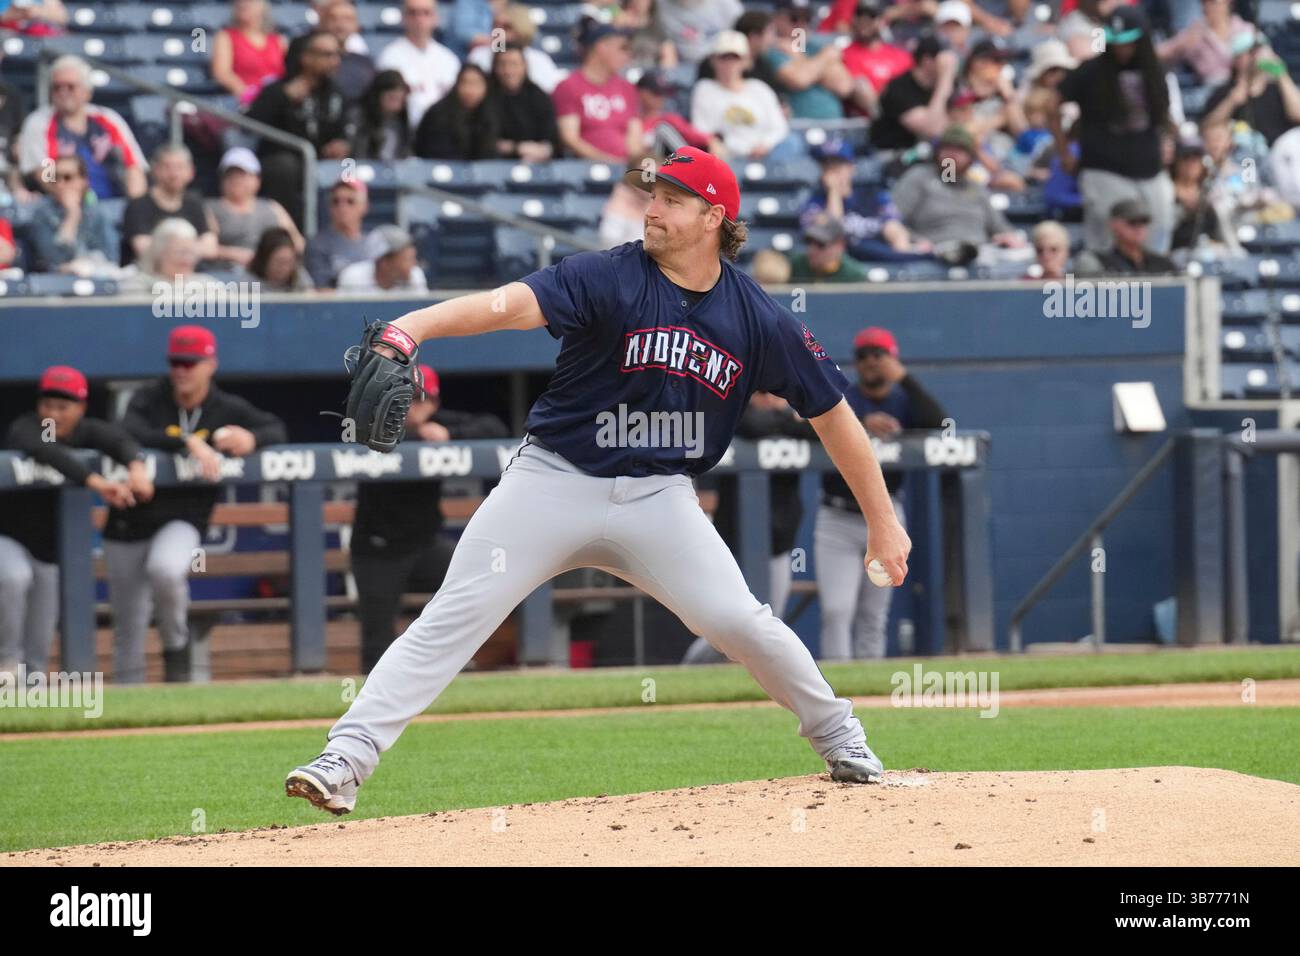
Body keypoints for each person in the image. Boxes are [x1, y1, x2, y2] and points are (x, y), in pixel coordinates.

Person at [284, 145, 912, 814]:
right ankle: (344, 758)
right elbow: (506, 305)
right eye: (652, 193)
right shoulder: (608, 275)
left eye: (672, 198)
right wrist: (413, 327)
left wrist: (882, 520)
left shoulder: (757, 318)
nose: (653, 206)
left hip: (658, 498)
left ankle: (843, 739)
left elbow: (833, 413)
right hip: (551, 480)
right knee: (452, 616)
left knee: (741, 621)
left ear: (713, 217)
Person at [104, 327, 287, 684]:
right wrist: (188, 442)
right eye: (176, 362)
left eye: (191, 363)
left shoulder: (225, 406)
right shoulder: (150, 397)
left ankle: (176, 650)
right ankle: (129, 703)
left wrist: (252, 437)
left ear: (210, 365)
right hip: (129, 519)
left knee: (167, 569)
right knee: (129, 621)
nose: (182, 370)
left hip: (183, 516)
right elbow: (129, 430)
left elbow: (276, 429)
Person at [351, 364, 509, 673]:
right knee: (377, 639)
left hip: (424, 545)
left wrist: (450, 434)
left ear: (434, 403)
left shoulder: (438, 423)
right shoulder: (375, 423)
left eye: (421, 400)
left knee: (476, 583)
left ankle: (449, 666)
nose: (412, 406)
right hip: (378, 550)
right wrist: (416, 439)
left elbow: (495, 428)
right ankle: (375, 699)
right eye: (405, 398)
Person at [0, 366, 152, 679]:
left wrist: (136, 466)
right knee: (14, 578)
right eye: (47, 405)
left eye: (62, 407)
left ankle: (31, 700)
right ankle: (5, 664)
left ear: (80, 408)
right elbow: (45, 450)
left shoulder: (87, 431)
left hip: (50, 548)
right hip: (8, 534)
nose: (53, 414)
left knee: (40, 639)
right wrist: (96, 482)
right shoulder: (27, 427)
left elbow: (120, 440)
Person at [815, 326, 944, 661]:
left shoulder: (904, 399)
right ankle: (837, 693)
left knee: (874, 615)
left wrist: (903, 378)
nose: (871, 362)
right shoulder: (846, 398)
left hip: (886, 517)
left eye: (878, 355)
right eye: (863, 356)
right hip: (837, 518)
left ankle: (870, 692)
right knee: (836, 610)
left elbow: (940, 422)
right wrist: (862, 423)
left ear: (892, 358)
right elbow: (814, 421)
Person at [681, 391, 814, 664]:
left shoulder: (791, 414)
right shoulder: (738, 411)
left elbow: (816, 430)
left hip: (779, 542)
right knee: (730, 623)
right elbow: (751, 425)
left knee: (768, 619)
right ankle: (689, 670)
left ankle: (746, 682)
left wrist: (783, 418)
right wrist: (786, 420)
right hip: (734, 543)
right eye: (763, 395)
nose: (770, 402)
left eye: (777, 396)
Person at [1054, 5, 1175, 254]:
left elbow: (1162, 116)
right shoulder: (1090, 71)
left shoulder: (1154, 71)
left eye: (1128, 42)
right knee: (1109, 243)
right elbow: (1050, 105)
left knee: (1157, 235)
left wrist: (1170, 140)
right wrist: (1064, 151)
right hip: (1104, 169)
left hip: (1149, 170)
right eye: (1116, 42)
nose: (1122, 49)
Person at [246, 30, 355, 228]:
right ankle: (287, 231)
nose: (335, 61)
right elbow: (248, 125)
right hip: (282, 161)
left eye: (337, 54)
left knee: (352, 168)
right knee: (284, 167)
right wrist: (283, 98)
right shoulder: (278, 89)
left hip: (320, 160)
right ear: (306, 57)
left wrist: (341, 144)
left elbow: (345, 129)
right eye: (327, 55)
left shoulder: (336, 94)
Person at [16, 55, 147, 200]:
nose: (63, 92)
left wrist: (135, 207)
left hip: (114, 200)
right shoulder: (39, 122)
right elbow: (46, 175)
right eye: (57, 87)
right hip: (63, 203)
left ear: (87, 91)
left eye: (71, 87)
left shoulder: (108, 118)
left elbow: (133, 166)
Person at [891, 124, 1023, 253]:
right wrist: (915, 240)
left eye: (960, 150)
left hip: (978, 254)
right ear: (937, 153)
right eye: (947, 148)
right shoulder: (919, 178)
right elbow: (890, 220)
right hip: (933, 253)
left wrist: (1007, 237)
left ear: (971, 158)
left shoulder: (976, 188)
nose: (952, 155)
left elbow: (1000, 227)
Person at [801, 138, 921, 261]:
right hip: (844, 262)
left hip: (883, 256)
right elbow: (830, 234)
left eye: (839, 164)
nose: (833, 170)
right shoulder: (814, 202)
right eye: (827, 165)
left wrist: (901, 248)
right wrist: (834, 193)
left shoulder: (873, 196)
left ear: (851, 168)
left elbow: (896, 228)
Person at [690, 30, 795, 162]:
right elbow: (702, 129)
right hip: (729, 156)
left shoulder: (760, 88)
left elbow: (779, 126)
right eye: (724, 57)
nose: (730, 64)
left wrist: (765, 145)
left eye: (735, 58)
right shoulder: (705, 89)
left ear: (746, 61)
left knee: (793, 144)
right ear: (713, 60)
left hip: (766, 154)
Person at [762, 0, 875, 120]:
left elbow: (843, 86)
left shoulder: (816, 48)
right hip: (798, 127)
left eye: (807, 19)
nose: (801, 24)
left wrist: (801, 59)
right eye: (794, 19)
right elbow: (799, 80)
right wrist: (824, 60)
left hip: (834, 125)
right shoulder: (772, 51)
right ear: (777, 20)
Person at [552, 20, 642, 163]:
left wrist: (631, 165)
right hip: (586, 169)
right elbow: (570, 138)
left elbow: (635, 137)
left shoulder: (627, 88)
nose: (628, 55)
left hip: (627, 169)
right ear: (601, 47)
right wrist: (608, 162)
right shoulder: (568, 86)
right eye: (623, 48)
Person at [206, 147, 303, 270]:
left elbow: (297, 243)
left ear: (257, 179)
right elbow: (207, 248)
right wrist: (238, 255)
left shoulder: (273, 207)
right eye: (230, 175)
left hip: (271, 273)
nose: (236, 180)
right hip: (227, 273)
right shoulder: (210, 208)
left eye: (242, 175)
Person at [121, 145, 218, 267]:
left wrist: (169, 249)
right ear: (154, 170)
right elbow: (143, 249)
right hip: (149, 275)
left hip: (190, 275)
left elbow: (211, 249)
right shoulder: (138, 205)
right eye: (167, 167)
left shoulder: (194, 203)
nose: (174, 174)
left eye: (180, 167)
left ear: (191, 172)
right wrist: (191, 249)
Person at [1203, 33, 1300, 149]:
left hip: (1280, 155)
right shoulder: (1224, 92)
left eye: (1259, 51)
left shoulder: (1277, 88)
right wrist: (1231, 102)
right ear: (1237, 59)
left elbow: (1298, 115)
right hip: (1242, 159)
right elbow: (1206, 128)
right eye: (1251, 52)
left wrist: (1282, 75)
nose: (1256, 57)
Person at [376, 0, 462, 127]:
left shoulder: (449, 59)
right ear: (404, 18)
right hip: (406, 134)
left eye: (426, 13)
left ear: (435, 18)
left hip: (445, 135)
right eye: (413, 13)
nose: (419, 19)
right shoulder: (389, 58)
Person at [28, 154, 118, 274]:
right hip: (55, 285)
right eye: (55, 178)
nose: (60, 184)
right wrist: (72, 216)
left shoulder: (98, 212)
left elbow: (112, 257)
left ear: (83, 181)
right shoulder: (42, 214)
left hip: (97, 281)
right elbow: (54, 260)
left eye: (67, 177)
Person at [870, 35, 959, 152]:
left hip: (931, 154)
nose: (950, 65)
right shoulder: (897, 89)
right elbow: (932, 129)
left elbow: (960, 124)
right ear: (927, 61)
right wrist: (945, 79)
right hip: (894, 154)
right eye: (944, 60)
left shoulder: (949, 84)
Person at [486, 44, 560, 163]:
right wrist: (518, 148)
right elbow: (485, 141)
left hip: (537, 163)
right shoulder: (485, 97)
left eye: (514, 64)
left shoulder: (539, 96)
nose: (508, 71)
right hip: (494, 164)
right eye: (502, 64)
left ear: (524, 66)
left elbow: (552, 141)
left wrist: (542, 150)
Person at [466, 4, 563, 94]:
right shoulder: (479, 56)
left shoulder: (540, 60)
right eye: (496, 25)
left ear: (522, 29)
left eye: (506, 27)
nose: (499, 32)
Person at [305, 180, 385, 288]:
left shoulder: (374, 242)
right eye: (336, 201)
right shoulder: (318, 245)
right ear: (329, 207)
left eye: (350, 201)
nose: (342, 207)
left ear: (364, 206)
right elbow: (322, 290)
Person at [1157, 0, 1253, 86]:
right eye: (1204, 2)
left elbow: (1267, 64)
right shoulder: (1195, 33)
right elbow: (1156, 54)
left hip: (1242, 90)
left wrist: (1259, 66)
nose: (1207, 6)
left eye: (1214, 1)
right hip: (1207, 94)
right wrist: (1181, 45)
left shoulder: (1245, 30)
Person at [413, 63, 498, 160]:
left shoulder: (489, 112)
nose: (470, 90)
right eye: (465, 83)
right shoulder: (439, 114)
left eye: (476, 83)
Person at [1074, 198, 1179, 274]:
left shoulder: (1163, 263)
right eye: (1132, 222)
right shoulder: (1099, 262)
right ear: (1114, 225)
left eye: (1143, 222)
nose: (1139, 228)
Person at [210, 0, 286, 103]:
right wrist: (248, 95)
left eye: (250, 2)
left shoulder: (278, 40)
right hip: (247, 102)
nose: (243, 4)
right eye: (239, 2)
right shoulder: (225, 37)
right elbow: (222, 73)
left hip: (278, 100)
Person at [117, 218, 219, 294]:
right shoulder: (136, 286)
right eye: (180, 252)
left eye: (191, 253)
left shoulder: (209, 285)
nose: (187, 259)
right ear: (160, 252)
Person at [637, 70, 721, 157]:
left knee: (662, 129)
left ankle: (689, 164)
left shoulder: (668, 118)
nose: (661, 98)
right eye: (656, 93)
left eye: (663, 93)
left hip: (663, 163)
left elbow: (693, 135)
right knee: (661, 130)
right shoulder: (631, 119)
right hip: (640, 164)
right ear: (642, 92)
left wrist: (711, 140)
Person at [841, 2, 913, 96]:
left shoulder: (900, 55)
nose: (864, 21)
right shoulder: (844, 55)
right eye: (859, 15)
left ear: (882, 22)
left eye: (871, 16)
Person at [336, 225, 429, 293]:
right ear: (384, 262)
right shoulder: (352, 277)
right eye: (406, 259)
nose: (414, 264)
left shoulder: (416, 275)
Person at [788, 214, 871, 282]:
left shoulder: (854, 276)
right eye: (809, 242)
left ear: (840, 245)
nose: (812, 249)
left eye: (820, 244)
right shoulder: (795, 264)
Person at [320, 0, 375, 104]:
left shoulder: (365, 63)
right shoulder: (308, 58)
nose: (340, 25)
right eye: (333, 18)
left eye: (347, 19)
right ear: (323, 22)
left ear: (357, 25)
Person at [352, 70, 414, 161]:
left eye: (400, 99)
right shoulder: (359, 118)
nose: (396, 104)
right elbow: (358, 152)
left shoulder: (401, 123)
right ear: (378, 95)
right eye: (392, 97)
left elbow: (405, 152)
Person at [248, 226, 315, 291]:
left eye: (289, 262)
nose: (284, 268)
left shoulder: (299, 277)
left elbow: (310, 295)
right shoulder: (246, 281)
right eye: (279, 262)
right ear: (264, 260)